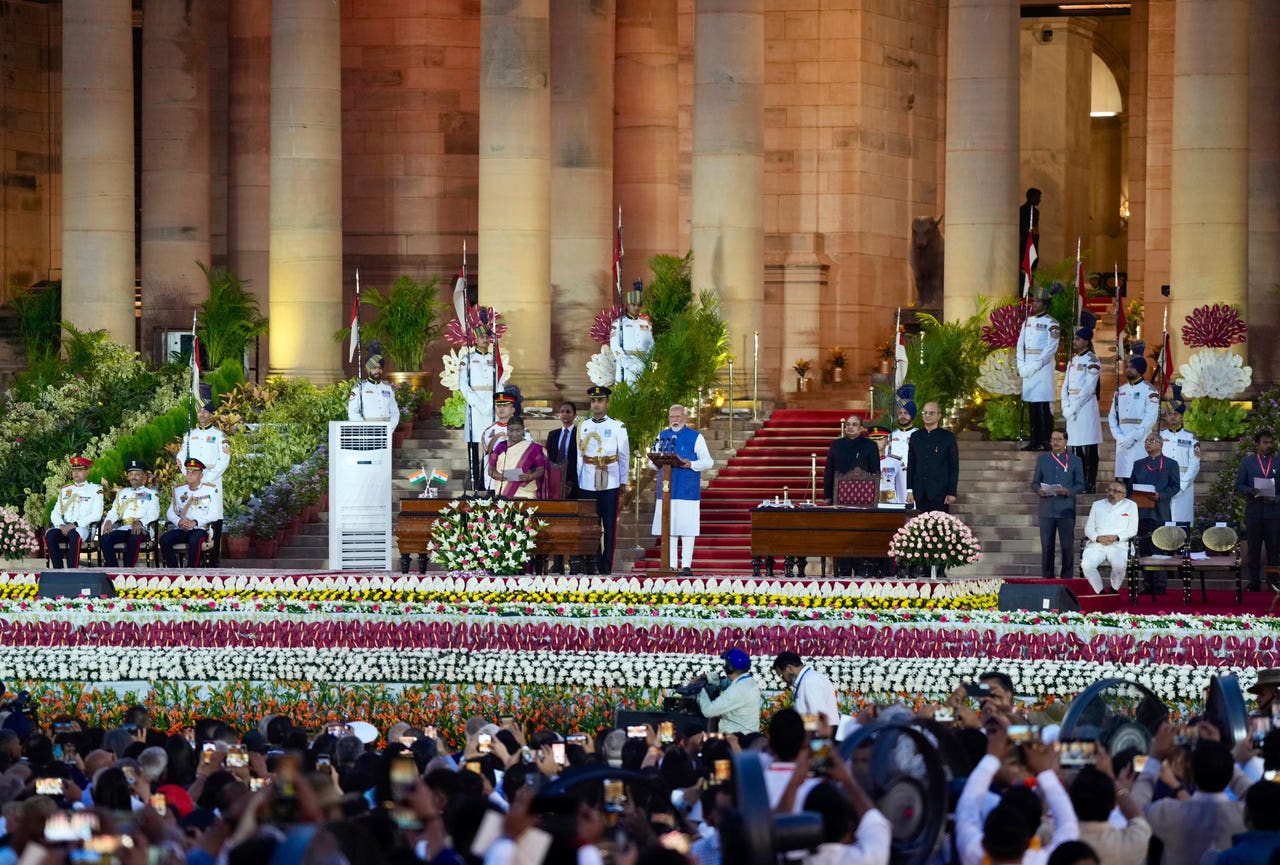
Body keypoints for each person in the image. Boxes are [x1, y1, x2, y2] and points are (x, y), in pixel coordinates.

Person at [649, 405, 714, 574]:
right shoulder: (662, 436)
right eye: (672, 417)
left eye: (678, 416)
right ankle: (671, 564)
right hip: (666, 489)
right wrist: (655, 461)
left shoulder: (695, 437)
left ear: (685, 418)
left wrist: (691, 463)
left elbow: (708, 462)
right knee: (668, 527)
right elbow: (651, 462)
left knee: (686, 528)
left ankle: (686, 565)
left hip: (686, 490)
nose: (675, 420)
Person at [576, 385, 629, 575]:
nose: (596, 404)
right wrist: (578, 479)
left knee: (609, 523)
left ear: (606, 403)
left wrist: (623, 480)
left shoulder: (617, 426)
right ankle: (593, 561)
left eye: (600, 400)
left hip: (610, 477)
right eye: (593, 401)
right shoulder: (583, 425)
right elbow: (578, 454)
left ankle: (607, 563)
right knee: (591, 523)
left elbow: (624, 455)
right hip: (588, 478)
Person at [1031, 430, 1086, 580]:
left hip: (1066, 509)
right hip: (1047, 509)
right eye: (1053, 439)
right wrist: (1039, 490)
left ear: (1066, 441)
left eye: (1059, 439)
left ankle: (1067, 578)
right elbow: (1035, 482)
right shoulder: (1043, 459)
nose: (1055, 442)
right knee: (1047, 546)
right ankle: (1047, 577)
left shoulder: (1075, 460)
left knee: (1067, 546)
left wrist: (1068, 491)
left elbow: (1081, 484)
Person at [459, 323, 508, 491]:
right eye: (481, 337)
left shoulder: (494, 360)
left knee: (492, 444)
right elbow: (464, 386)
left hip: (492, 406)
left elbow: (500, 383)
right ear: (475, 339)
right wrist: (480, 404)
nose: (485, 340)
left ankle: (488, 481)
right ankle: (475, 482)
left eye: (487, 337)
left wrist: (496, 404)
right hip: (475, 407)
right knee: (474, 446)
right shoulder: (467, 360)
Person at [1061, 312, 1102, 492]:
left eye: (1077, 339)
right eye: (1074, 339)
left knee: (1089, 446)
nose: (1074, 342)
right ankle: (1079, 481)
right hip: (1071, 407)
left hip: (1084, 408)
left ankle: (1090, 482)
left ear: (1086, 341)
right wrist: (1065, 406)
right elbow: (1065, 385)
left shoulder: (1092, 360)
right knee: (1075, 447)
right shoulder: (1073, 360)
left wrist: (1074, 407)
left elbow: (1088, 388)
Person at [1017, 287, 1061, 451]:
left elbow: (1050, 349)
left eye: (1037, 301)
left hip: (1041, 369)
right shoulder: (1027, 322)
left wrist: (1034, 366)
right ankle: (1034, 440)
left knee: (1043, 404)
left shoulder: (1052, 324)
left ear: (1045, 304)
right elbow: (1020, 344)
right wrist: (1022, 366)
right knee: (1032, 405)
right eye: (1034, 300)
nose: (1033, 303)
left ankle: (1046, 439)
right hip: (1027, 367)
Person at [160, 458, 224, 568]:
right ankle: (174, 571)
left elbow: (214, 514)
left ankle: (192, 571)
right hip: (183, 528)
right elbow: (170, 512)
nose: (190, 475)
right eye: (188, 472)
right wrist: (179, 521)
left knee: (195, 540)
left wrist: (195, 522)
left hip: (200, 528)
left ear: (201, 476)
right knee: (165, 539)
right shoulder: (179, 490)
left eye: (194, 473)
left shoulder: (210, 490)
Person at [1235, 429, 1278, 592]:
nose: (1268, 445)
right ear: (1257, 444)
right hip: (1254, 511)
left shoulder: (1278, 461)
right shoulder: (1248, 462)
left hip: (1274, 513)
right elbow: (1239, 484)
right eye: (1265, 442)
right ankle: (1254, 581)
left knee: (1274, 548)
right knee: (1253, 548)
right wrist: (1250, 491)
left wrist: (1275, 498)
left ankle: (1273, 582)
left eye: (1270, 442)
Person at [1129, 432, 1180, 570]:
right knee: (1144, 549)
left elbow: (1175, 486)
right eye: (1146, 441)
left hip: (1160, 511)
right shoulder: (1138, 464)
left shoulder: (1171, 464)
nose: (1148, 443)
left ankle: (1160, 585)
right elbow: (1130, 488)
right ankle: (1147, 583)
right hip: (1142, 512)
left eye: (1152, 441)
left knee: (1160, 548)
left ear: (1161, 445)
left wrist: (1161, 495)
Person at [1107, 349, 1159, 483]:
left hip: (1140, 441)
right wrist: (1118, 436)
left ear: (1140, 369)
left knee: (1139, 478)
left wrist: (1133, 437)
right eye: (1127, 367)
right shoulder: (1120, 390)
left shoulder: (1150, 390)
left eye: (1132, 367)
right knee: (1123, 479)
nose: (1128, 370)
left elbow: (1150, 418)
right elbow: (1112, 416)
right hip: (1122, 440)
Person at [44, 455, 105, 569]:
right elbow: (55, 512)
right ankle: (58, 570)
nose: (76, 473)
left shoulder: (95, 490)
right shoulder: (65, 490)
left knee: (74, 534)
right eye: (74, 470)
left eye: (80, 470)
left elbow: (97, 515)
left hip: (83, 528)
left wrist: (75, 525)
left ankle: (73, 570)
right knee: (50, 534)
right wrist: (60, 525)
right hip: (64, 527)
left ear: (87, 471)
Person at [100, 459, 161, 568]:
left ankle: (129, 571)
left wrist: (140, 522)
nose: (133, 477)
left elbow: (154, 513)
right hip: (124, 528)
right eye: (131, 474)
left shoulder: (151, 494)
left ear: (144, 477)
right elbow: (115, 511)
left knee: (134, 537)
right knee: (105, 538)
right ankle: (114, 570)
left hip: (143, 529)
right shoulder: (122, 493)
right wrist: (108, 521)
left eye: (137, 474)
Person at [1081, 483, 1139, 594]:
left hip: (1119, 544)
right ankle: (1100, 592)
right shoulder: (1097, 505)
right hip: (1098, 544)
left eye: (1115, 491)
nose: (1111, 493)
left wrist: (1116, 537)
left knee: (1120, 565)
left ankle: (1114, 589)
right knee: (1087, 565)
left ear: (1123, 495)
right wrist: (1097, 538)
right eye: (1109, 490)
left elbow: (1133, 530)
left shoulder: (1131, 506)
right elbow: (1089, 528)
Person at [906, 401, 958, 513]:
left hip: (941, 493)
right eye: (925, 413)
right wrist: (909, 490)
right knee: (920, 526)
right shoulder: (916, 436)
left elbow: (954, 466)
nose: (927, 416)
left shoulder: (948, 437)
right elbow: (911, 464)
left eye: (931, 413)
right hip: (920, 492)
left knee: (939, 527)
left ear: (939, 415)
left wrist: (951, 492)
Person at [695, 649, 761, 735]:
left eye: (726, 664)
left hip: (737, 739)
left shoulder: (739, 689)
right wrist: (707, 677)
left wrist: (698, 688)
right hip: (745, 735)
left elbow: (708, 711)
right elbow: (726, 683)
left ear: (730, 668)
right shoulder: (747, 681)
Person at [1160, 387, 1199, 525]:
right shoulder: (1160, 436)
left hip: (1184, 483)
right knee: (1163, 520)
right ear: (1165, 416)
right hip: (1163, 483)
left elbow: (1195, 463)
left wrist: (1182, 485)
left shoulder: (1190, 437)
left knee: (1182, 519)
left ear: (1181, 417)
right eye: (1170, 414)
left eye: (1176, 414)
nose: (1172, 417)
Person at [176, 387, 231, 486]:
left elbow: (224, 459)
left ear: (211, 415)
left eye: (205, 411)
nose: (202, 414)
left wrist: (207, 478)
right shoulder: (189, 435)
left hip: (213, 480)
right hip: (192, 481)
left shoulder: (219, 435)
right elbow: (180, 457)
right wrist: (190, 475)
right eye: (199, 411)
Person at [771, 652, 840, 729]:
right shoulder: (809, 678)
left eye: (781, 675)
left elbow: (818, 716)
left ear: (789, 668)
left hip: (820, 735)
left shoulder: (810, 681)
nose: (783, 680)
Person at [823, 415, 879, 505]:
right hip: (838, 495)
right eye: (848, 424)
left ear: (861, 428)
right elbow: (829, 471)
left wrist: (873, 495)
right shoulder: (836, 445)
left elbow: (875, 472)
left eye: (854, 424)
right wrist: (827, 495)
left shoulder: (870, 445)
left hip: (863, 494)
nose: (850, 427)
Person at [487, 416, 548, 500]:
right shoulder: (501, 446)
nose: (514, 433)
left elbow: (540, 470)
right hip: (504, 490)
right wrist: (499, 476)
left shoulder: (532, 448)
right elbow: (491, 470)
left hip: (526, 491)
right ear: (507, 430)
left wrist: (530, 477)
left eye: (518, 430)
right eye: (511, 430)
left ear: (523, 430)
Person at [610, 280, 653, 385]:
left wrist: (646, 362)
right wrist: (629, 364)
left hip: (643, 366)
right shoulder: (618, 324)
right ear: (627, 305)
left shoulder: (645, 324)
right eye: (633, 305)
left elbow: (651, 345)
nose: (636, 308)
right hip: (626, 368)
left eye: (639, 305)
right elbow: (615, 347)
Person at [345, 349, 400, 431]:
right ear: (368, 369)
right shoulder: (359, 388)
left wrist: (390, 428)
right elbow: (352, 412)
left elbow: (395, 412)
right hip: (366, 431)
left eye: (380, 368)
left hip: (386, 431)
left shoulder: (388, 388)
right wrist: (365, 428)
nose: (377, 370)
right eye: (374, 368)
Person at [543, 401, 578, 500]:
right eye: (562, 411)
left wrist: (570, 481)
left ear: (574, 415)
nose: (565, 414)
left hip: (573, 479)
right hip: (554, 478)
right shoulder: (553, 434)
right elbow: (548, 456)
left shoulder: (579, 434)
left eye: (568, 412)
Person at [870, 427, 907, 506]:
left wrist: (902, 507)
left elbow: (902, 490)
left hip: (888, 504)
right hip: (868, 503)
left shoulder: (897, 463)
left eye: (880, 439)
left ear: (888, 442)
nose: (876, 442)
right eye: (873, 440)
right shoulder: (863, 462)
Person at [887, 385, 917, 468]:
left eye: (906, 413)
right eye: (900, 413)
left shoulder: (919, 435)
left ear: (912, 415)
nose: (902, 416)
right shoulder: (890, 436)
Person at [1019, 187, 1041, 273]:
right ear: (1031, 197)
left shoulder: (1034, 211)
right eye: (1038, 197)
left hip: (1031, 241)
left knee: (1031, 264)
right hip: (1026, 242)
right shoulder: (1024, 210)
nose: (1039, 200)